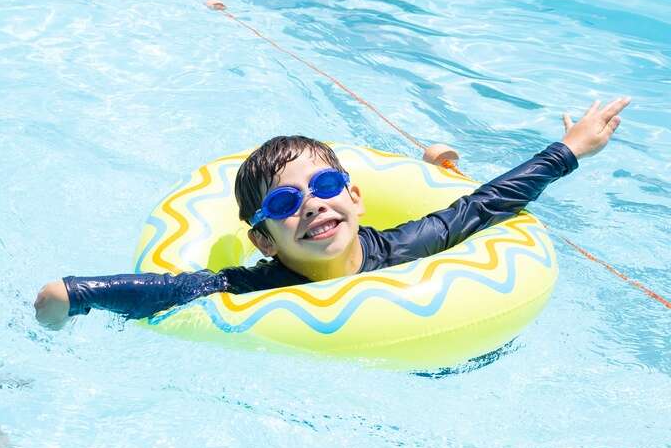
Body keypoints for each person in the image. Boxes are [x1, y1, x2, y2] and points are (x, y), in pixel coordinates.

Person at [34, 97, 630, 326]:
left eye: (324, 184)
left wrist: (572, 148)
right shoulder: (248, 287)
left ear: (355, 195)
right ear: (265, 241)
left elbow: (483, 206)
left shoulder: (404, 245)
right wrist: (72, 294)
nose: (313, 201)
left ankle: (422, 166)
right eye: (286, 201)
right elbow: (167, 288)